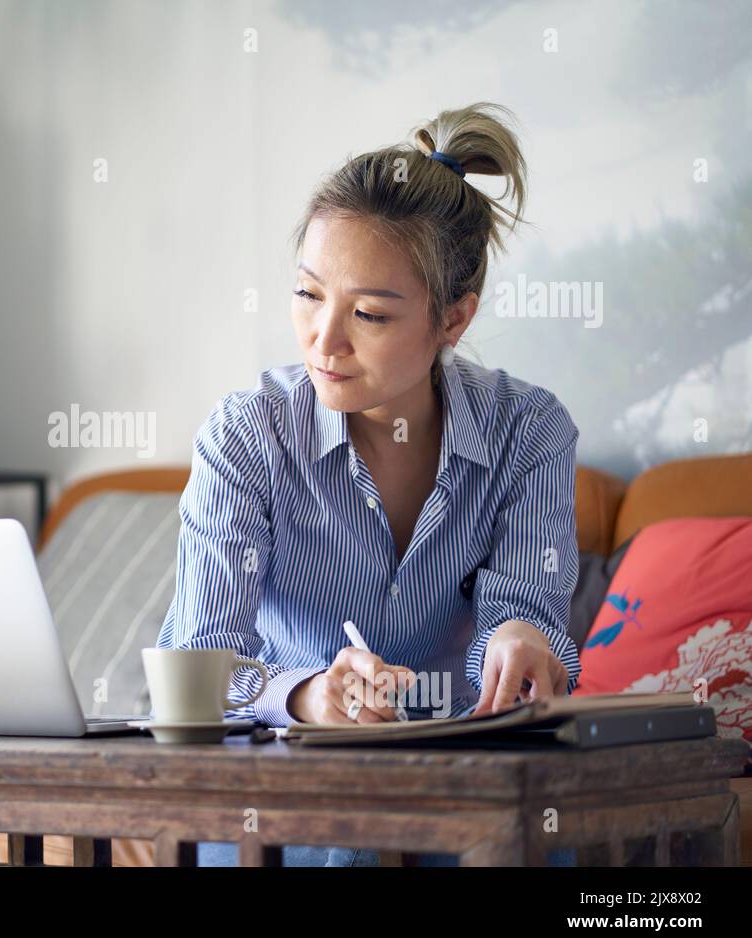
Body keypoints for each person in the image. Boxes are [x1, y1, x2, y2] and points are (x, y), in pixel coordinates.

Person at [156, 103, 580, 867]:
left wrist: (523, 641)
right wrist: (308, 695)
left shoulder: (530, 432)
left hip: (462, 800)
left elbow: (524, 615)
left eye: (371, 315)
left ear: (453, 319)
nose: (326, 340)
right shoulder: (247, 436)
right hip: (280, 804)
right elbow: (200, 660)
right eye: (309, 294)